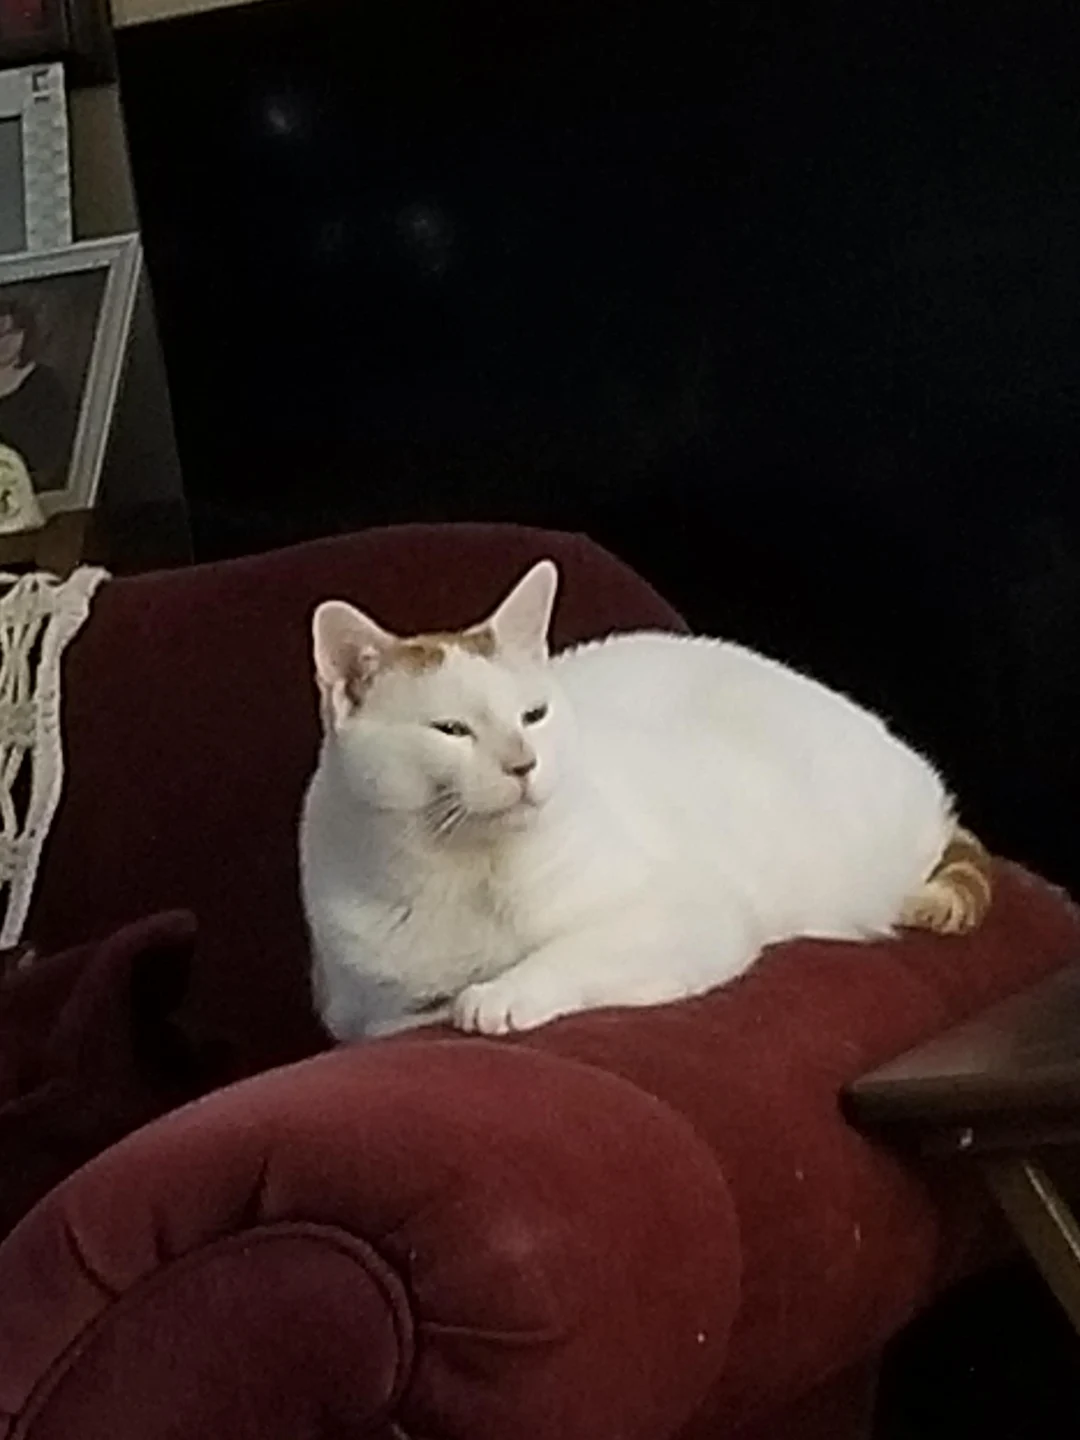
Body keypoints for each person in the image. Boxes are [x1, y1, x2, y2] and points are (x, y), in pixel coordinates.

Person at [0, 296, 75, 493]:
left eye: (12, 332)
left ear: (26, 334)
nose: (3, 342)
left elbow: (52, 455)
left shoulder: (44, 385)